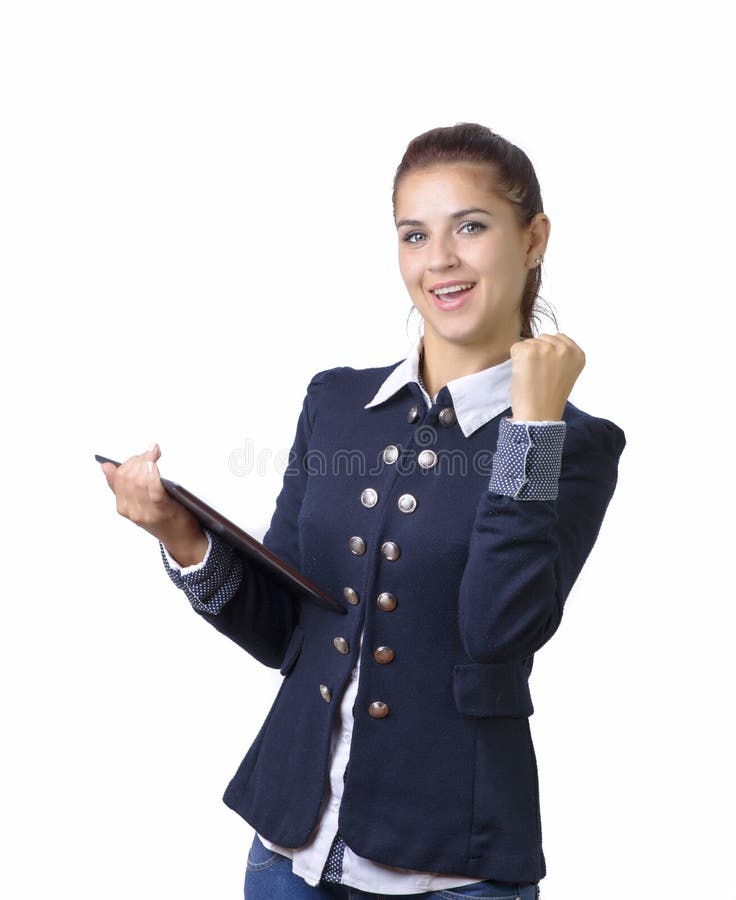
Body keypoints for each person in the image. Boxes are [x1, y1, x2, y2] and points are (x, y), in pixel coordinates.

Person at [100, 122, 626, 900]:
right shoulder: (337, 402)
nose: (439, 259)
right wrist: (178, 532)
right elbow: (285, 629)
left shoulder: (569, 443)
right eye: (415, 235)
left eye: (470, 227)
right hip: (290, 855)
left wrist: (532, 430)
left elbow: (498, 633)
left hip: (456, 868)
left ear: (533, 238)